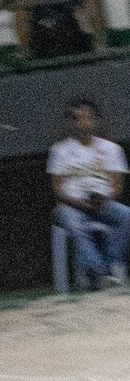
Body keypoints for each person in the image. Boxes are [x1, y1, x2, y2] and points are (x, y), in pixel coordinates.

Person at [47, 96, 130, 288]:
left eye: (88, 118)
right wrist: (81, 204)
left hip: (103, 203)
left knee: (126, 215)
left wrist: (104, 199)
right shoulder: (60, 150)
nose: (84, 123)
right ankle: (101, 273)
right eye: (78, 119)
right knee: (72, 221)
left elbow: (116, 186)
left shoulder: (111, 149)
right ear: (71, 123)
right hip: (72, 205)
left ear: (96, 120)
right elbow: (58, 190)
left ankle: (111, 266)